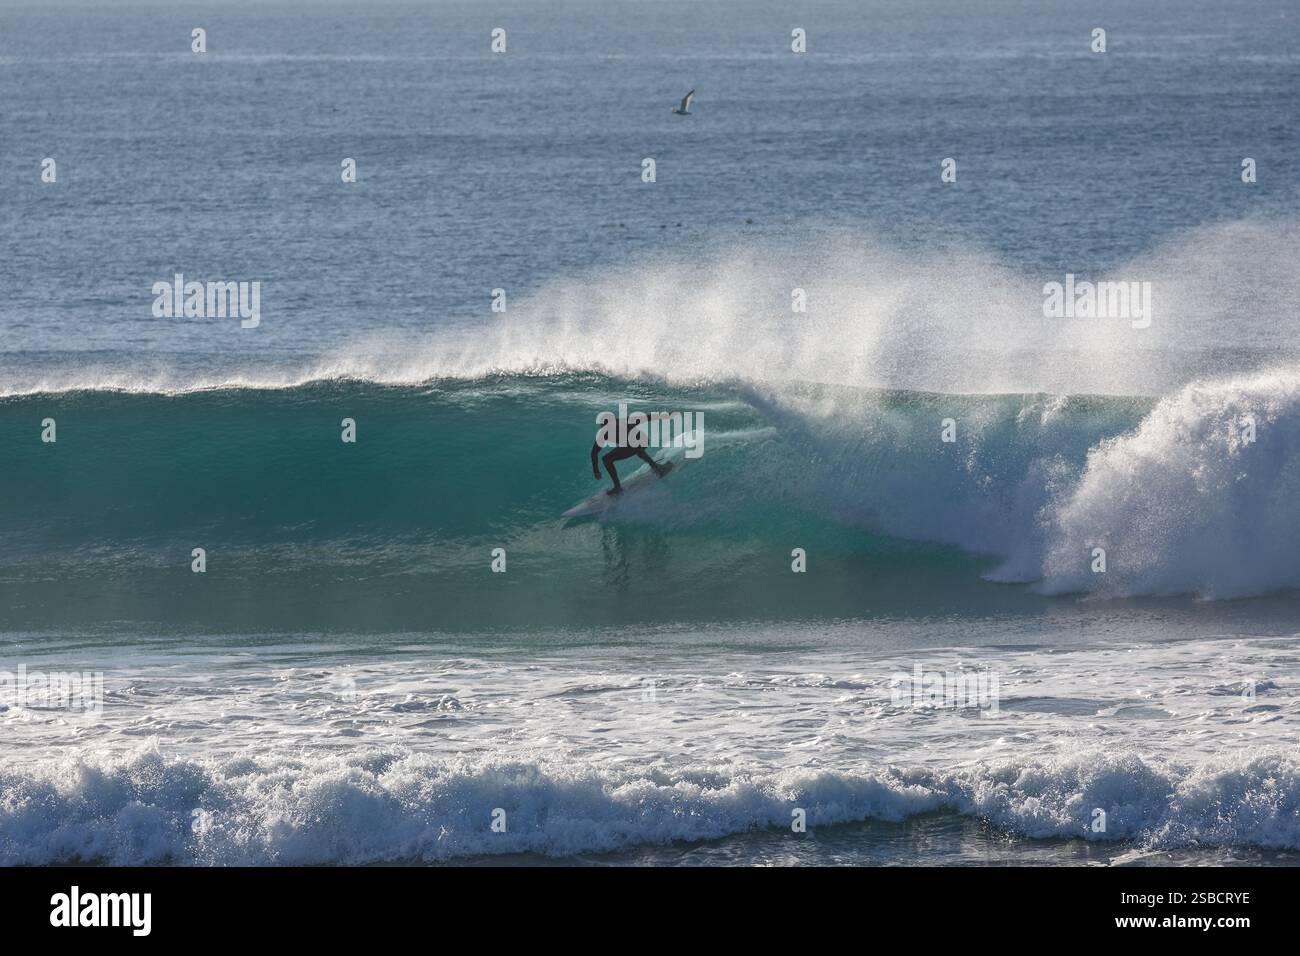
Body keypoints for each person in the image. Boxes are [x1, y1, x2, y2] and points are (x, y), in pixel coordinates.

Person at [591, 419, 669, 495]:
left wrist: (596, 471)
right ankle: (656, 468)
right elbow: (644, 417)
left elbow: (594, 452)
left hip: (635, 444)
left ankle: (617, 487)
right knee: (636, 447)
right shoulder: (622, 421)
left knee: (606, 459)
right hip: (644, 440)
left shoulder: (604, 433)